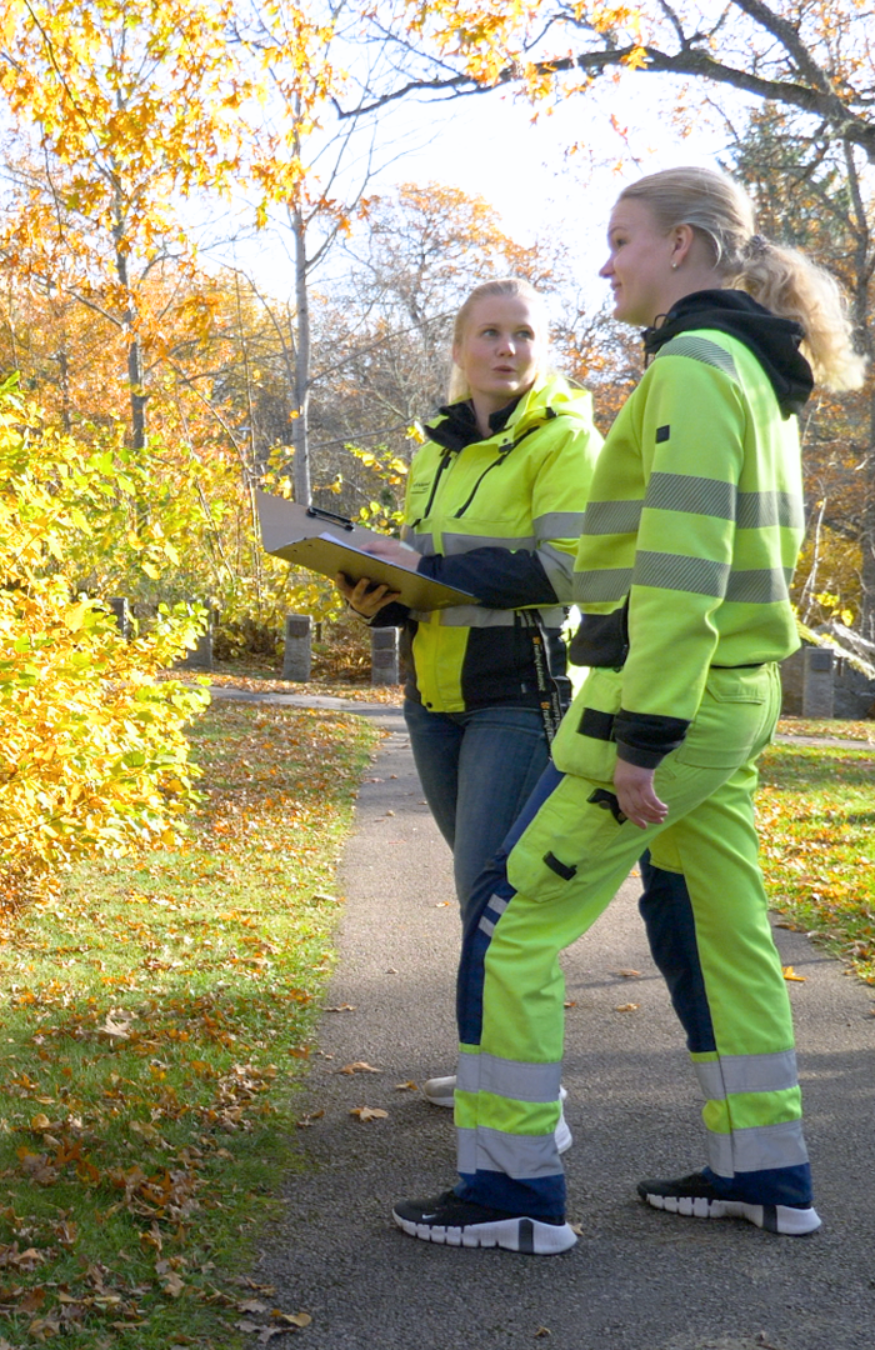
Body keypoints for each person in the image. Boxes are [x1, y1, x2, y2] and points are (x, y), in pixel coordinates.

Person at [391, 166, 865, 1255]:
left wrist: (642, 737)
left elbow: (684, 563)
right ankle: (765, 1172)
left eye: (622, 240)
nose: (606, 264)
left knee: (512, 922)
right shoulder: (753, 367)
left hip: (670, 707)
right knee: (721, 934)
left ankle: (512, 1192)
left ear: (686, 246)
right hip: (734, 696)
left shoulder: (697, 367)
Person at [337, 278, 602, 1122]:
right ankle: (492, 1066)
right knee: (474, 883)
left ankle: (532, 1100)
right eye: (489, 333)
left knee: (500, 893)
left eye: (524, 333)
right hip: (433, 690)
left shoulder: (564, 440)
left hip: (517, 693)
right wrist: (374, 585)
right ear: (458, 349)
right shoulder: (437, 449)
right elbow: (427, 567)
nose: (507, 349)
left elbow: (567, 569)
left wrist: (429, 574)